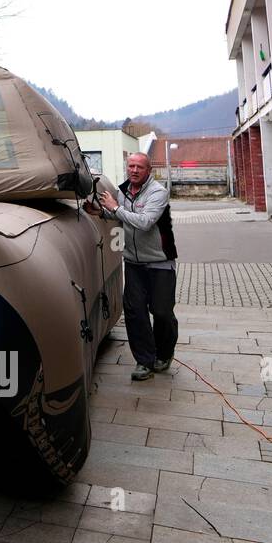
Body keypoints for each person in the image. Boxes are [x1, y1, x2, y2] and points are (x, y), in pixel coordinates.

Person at [86, 153, 177, 382]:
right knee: (135, 312)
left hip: (160, 262)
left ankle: (164, 354)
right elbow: (121, 218)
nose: (134, 170)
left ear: (149, 170)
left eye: (139, 167)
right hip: (134, 263)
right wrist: (101, 212)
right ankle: (144, 361)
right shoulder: (122, 191)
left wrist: (115, 209)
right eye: (131, 166)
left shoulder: (158, 192)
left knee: (162, 312)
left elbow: (145, 222)